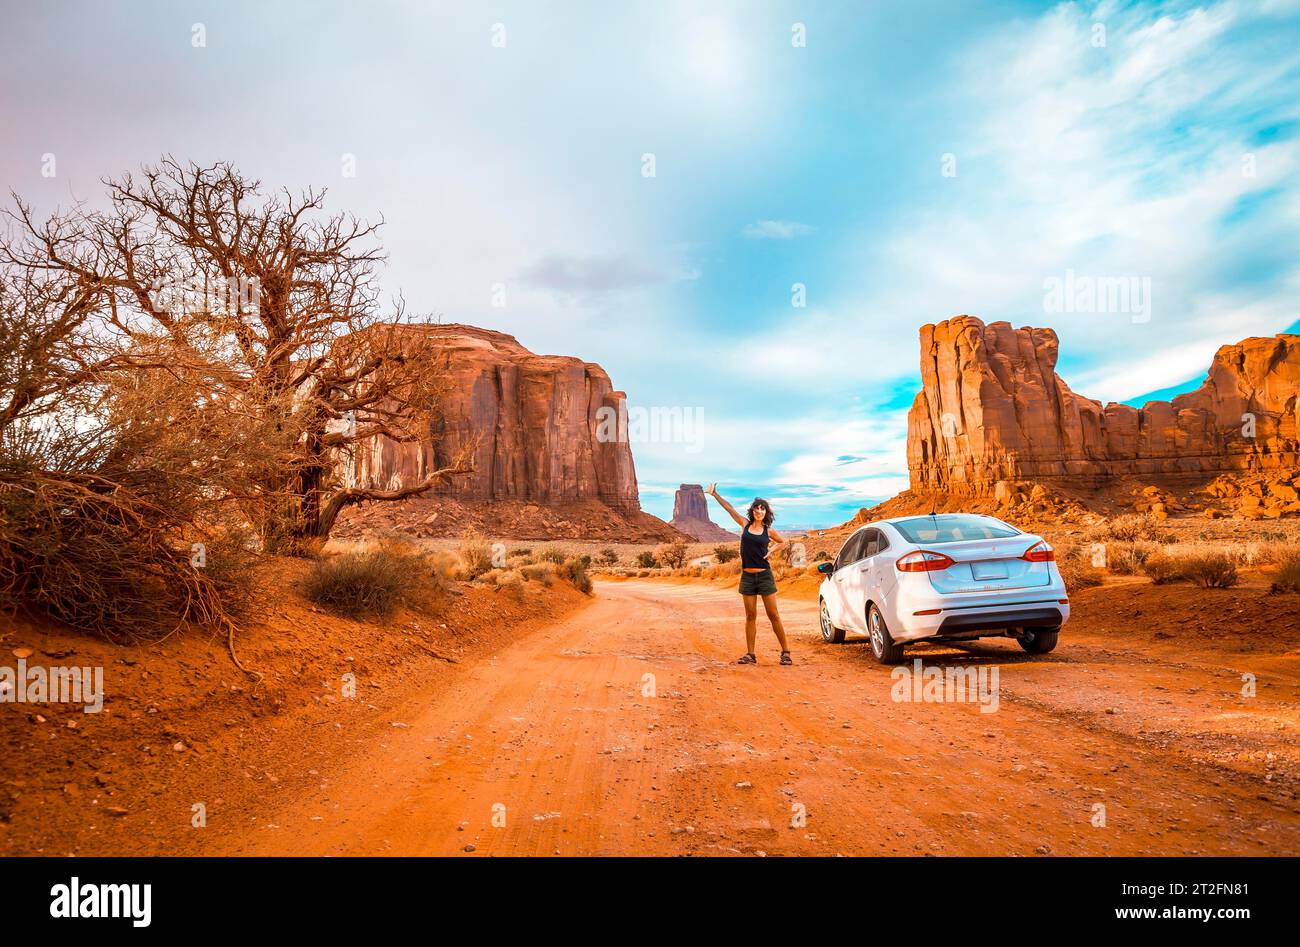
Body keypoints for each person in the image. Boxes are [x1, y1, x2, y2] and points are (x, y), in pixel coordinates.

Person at [705, 483, 792, 665]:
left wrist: (773, 549)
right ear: (752, 510)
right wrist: (715, 494)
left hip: (765, 576)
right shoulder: (744, 525)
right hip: (747, 577)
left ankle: (785, 652)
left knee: (773, 615)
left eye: (762, 508)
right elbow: (729, 508)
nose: (759, 510)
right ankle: (750, 654)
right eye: (756, 507)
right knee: (750, 616)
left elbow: (783, 542)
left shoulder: (769, 531)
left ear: (766, 512)